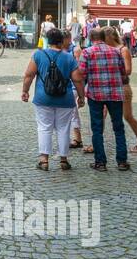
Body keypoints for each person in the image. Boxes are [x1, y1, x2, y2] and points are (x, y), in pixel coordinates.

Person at [21, 28, 85, 171]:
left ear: (48, 41)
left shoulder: (38, 55)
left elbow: (28, 75)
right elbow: (78, 79)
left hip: (43, 98)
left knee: (44, 127)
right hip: (65, 99)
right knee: (63, 128)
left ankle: (44, 160)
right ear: (62, 41)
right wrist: (81, 97)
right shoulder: (69, 58)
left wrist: (25, 91)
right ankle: (63, 160)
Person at [80, 28, 129, 172]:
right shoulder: (116, 51)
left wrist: (80, 94)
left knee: (97, 129)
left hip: (96, 94)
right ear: (103, 37)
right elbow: (123, 72)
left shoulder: (87, 52)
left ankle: (100, 162)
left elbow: (81, 74)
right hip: (115, 94)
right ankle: (122, 161)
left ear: (91, 38)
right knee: (118, 128)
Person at [105, 27, 137, 153]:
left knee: (128, 116)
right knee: (102, 114)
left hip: (122, 87)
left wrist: (109, 70)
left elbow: (128, 70)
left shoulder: (123, 50)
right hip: (109, 87)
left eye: (104, 37)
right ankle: (95, 144)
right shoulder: (108, 49)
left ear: (111, 37)